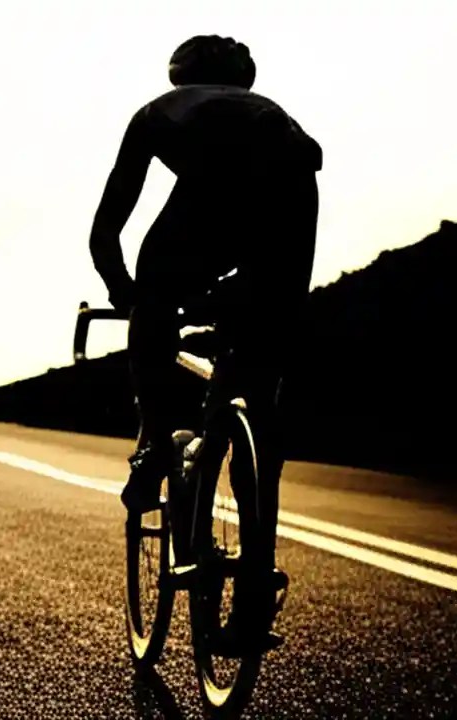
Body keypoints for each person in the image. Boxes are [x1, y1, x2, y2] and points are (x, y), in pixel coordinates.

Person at [88, 34, 321, 650]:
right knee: (259, 407)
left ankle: (151, 444)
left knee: (156, 289)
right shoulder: (272, 113)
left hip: (211, 206)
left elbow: (105, 232)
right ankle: (252, 595)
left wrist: (128, 295)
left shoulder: (159, 113)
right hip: (290, 198)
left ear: (178, 76)